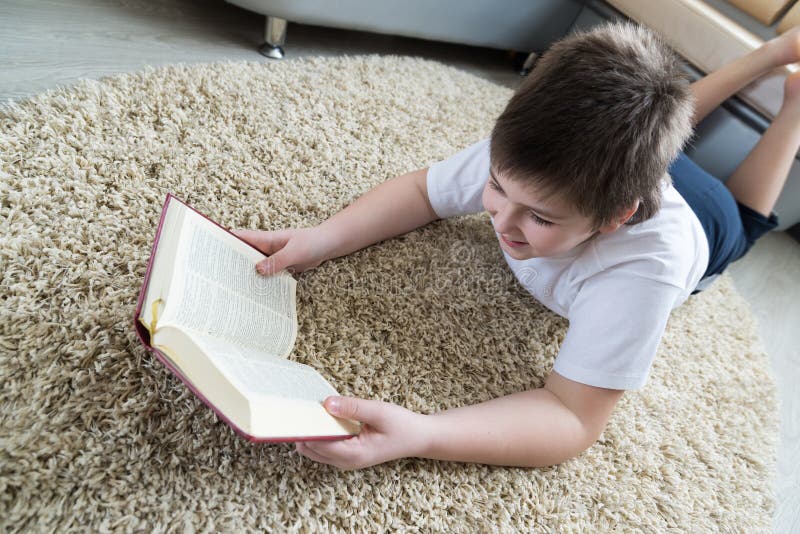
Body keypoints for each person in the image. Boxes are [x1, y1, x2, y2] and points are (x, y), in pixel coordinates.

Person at [233, 22, 800, 470]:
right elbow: (419, 192)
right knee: (656, 130)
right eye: (497, 188)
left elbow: (572, 418)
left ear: (612, 219)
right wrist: (322, 238)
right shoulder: (525, 158)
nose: (501, 219)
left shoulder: (644, 271)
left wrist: (425, 434)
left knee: (744, 221)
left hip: (708, 222)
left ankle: (795, 104)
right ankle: (774, 52)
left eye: (540, 218)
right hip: (633, 178)